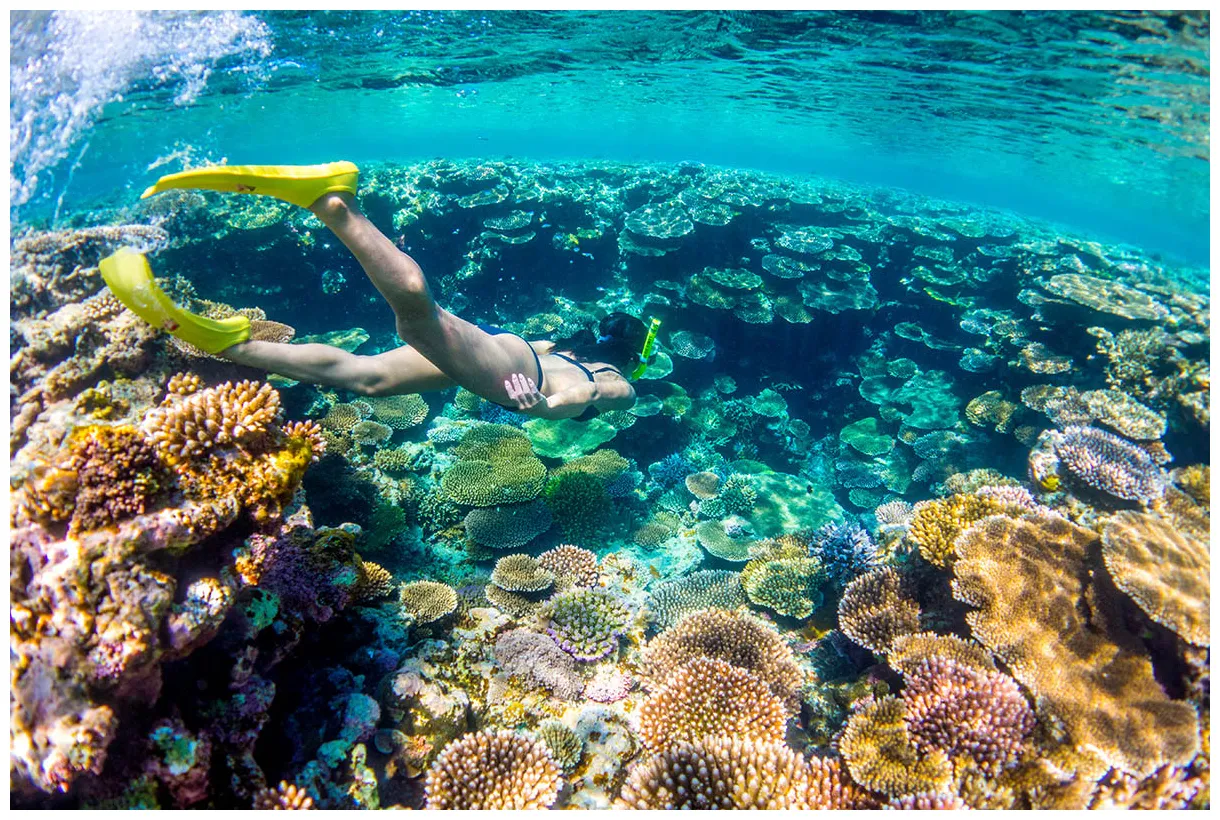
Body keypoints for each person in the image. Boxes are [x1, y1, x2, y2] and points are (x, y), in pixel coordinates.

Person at [101, 162, 653, 421]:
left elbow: (564, 372)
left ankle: (232, 343)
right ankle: (336, 203)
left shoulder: (567, 347)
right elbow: (593, 396)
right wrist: (546, 406)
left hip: (514, 353)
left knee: (367, 379)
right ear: (631, 356)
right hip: (514, 378)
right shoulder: (619, 380)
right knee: (418, 317)